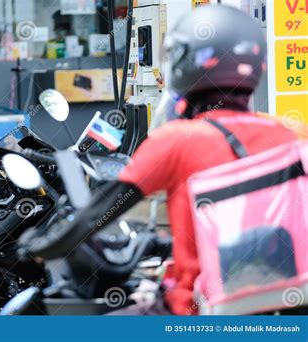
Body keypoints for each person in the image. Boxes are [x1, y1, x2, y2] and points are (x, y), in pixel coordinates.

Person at [24, 5, 307, 315]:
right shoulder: (291, 134)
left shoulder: (178, 139)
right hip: (284, 306)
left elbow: (99, 212)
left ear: (186, 63)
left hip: (197, 311)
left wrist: (39, 246)